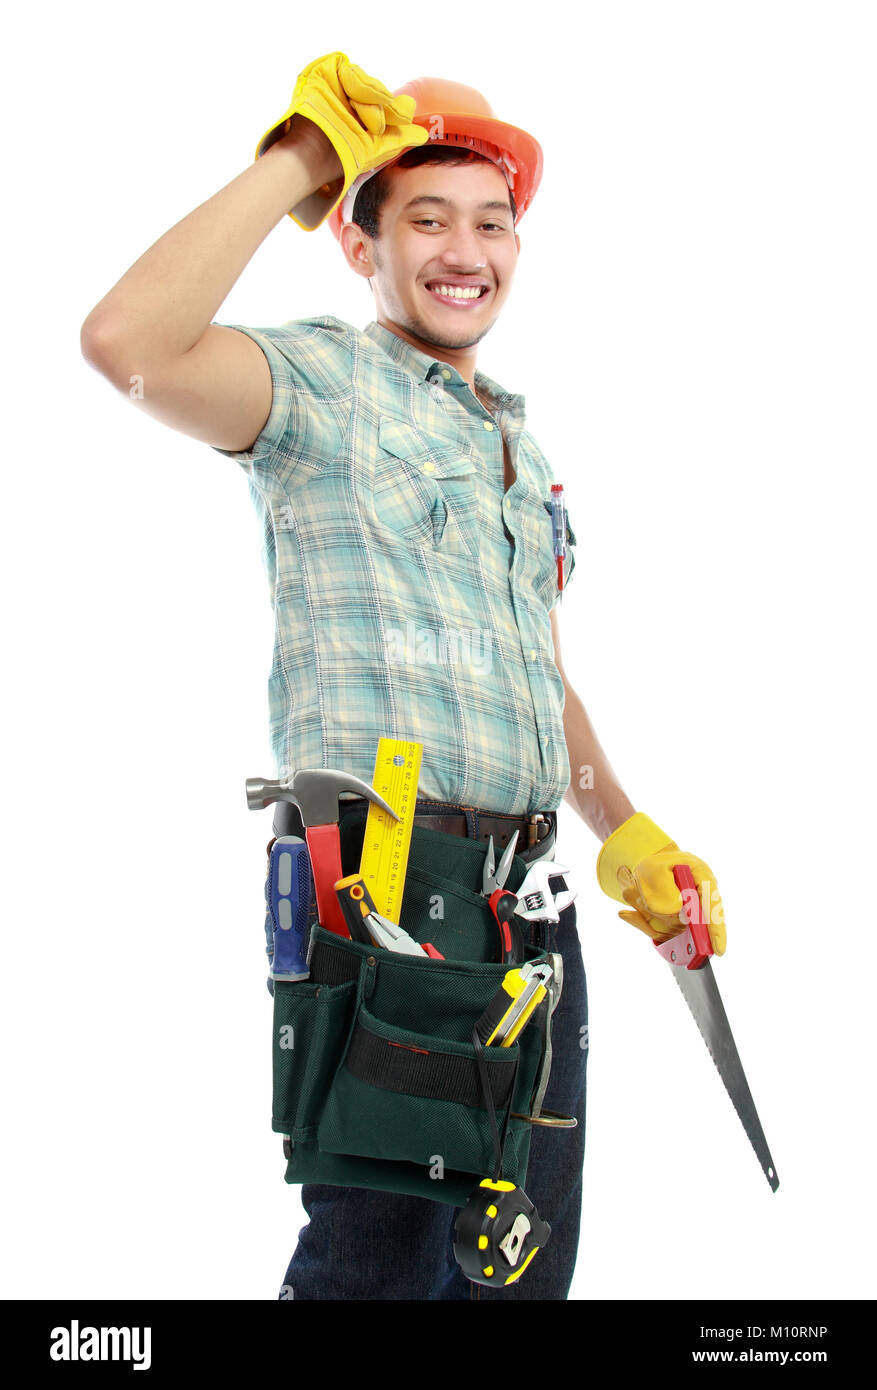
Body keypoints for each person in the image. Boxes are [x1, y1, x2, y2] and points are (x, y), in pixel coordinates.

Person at [80, 52, 726, 1301]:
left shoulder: (515, 445)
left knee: (517, 1264)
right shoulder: (323, 386)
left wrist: (626, 826)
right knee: (380, 1266)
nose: (462, 248)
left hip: (528, 898)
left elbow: (539, 673)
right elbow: (126, 343)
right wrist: (301, 162)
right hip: (388, 880)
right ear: (359, 243)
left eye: (492, 222)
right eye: (424, 215)